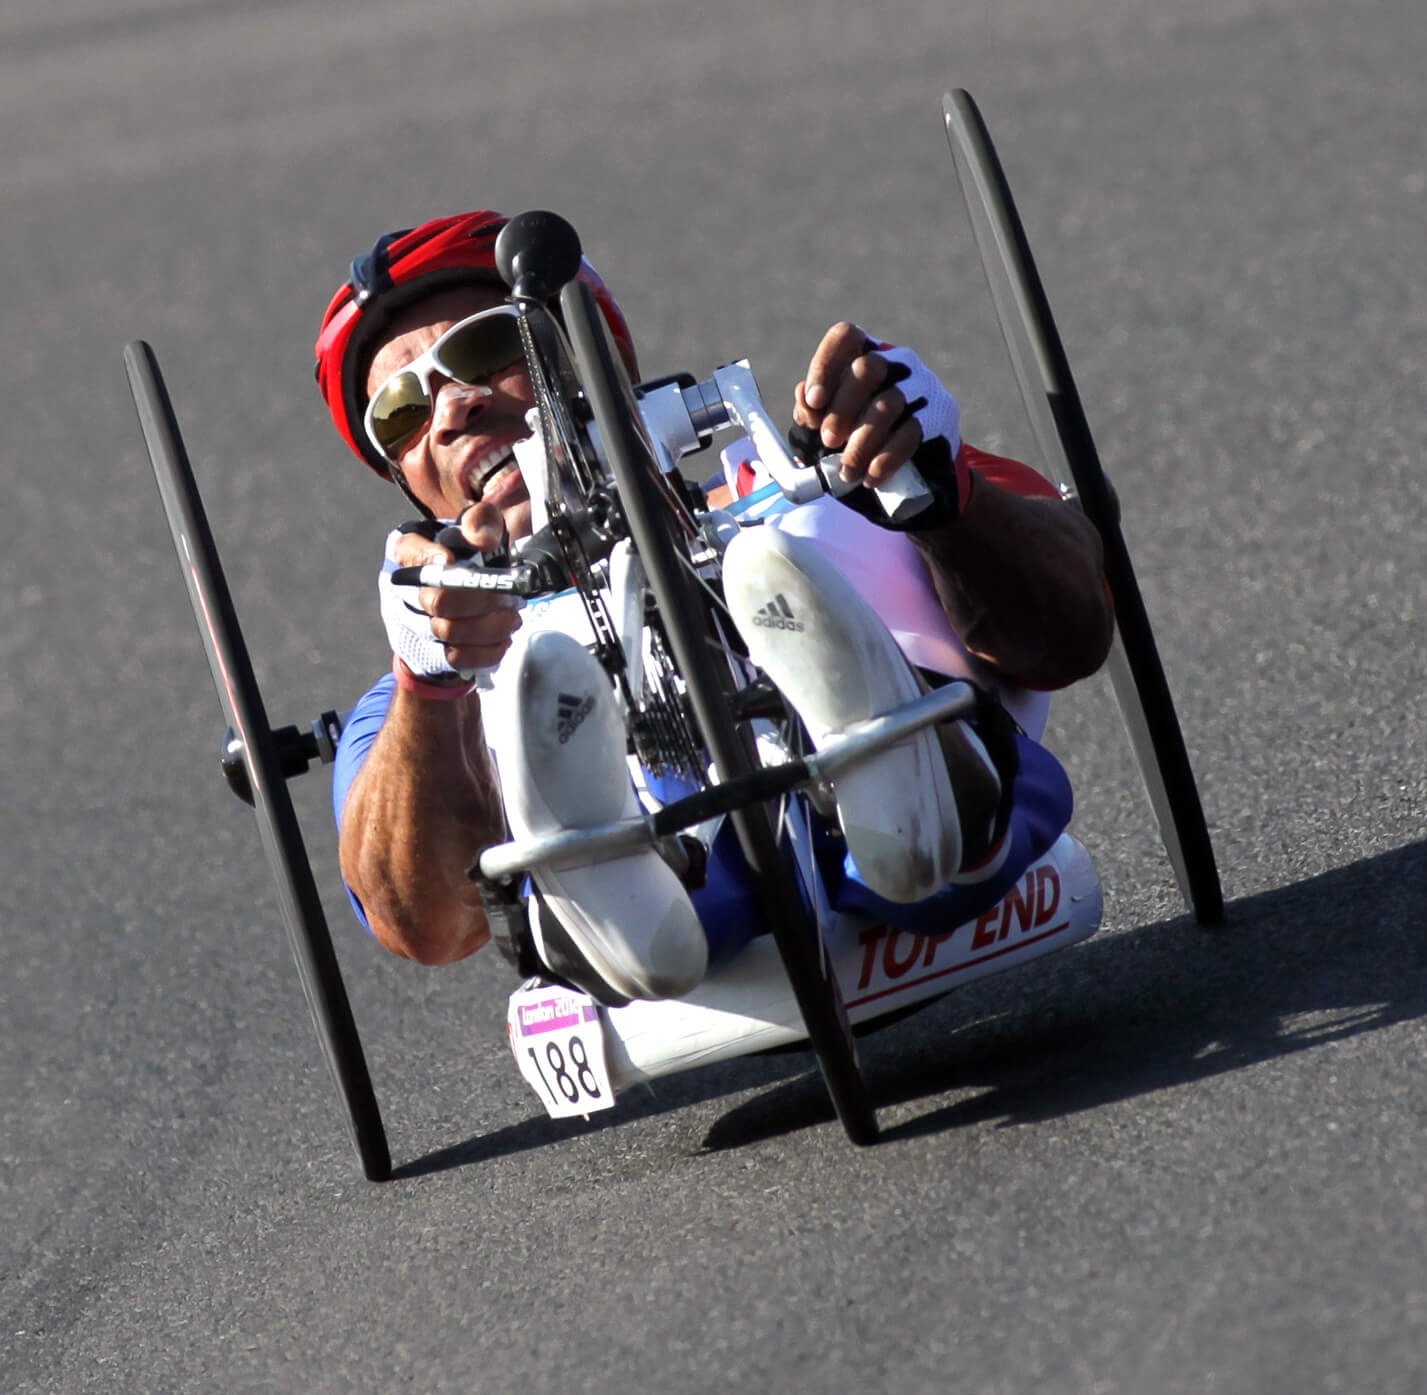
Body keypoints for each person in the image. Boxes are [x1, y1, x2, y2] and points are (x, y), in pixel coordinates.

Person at [314, 210, 1112, 1002]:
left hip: (954, 817)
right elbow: (424, 924)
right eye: (403, 413)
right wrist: (428, 681)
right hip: (682, 909)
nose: (451, 411)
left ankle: (911, 768)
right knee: (527, 682)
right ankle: (599, 886)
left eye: (486, 349)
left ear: (589, 355)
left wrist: (933, 482)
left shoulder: (809, 486)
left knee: (797, 537)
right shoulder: (416, 694)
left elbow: (1074, 629)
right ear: (405, 478)